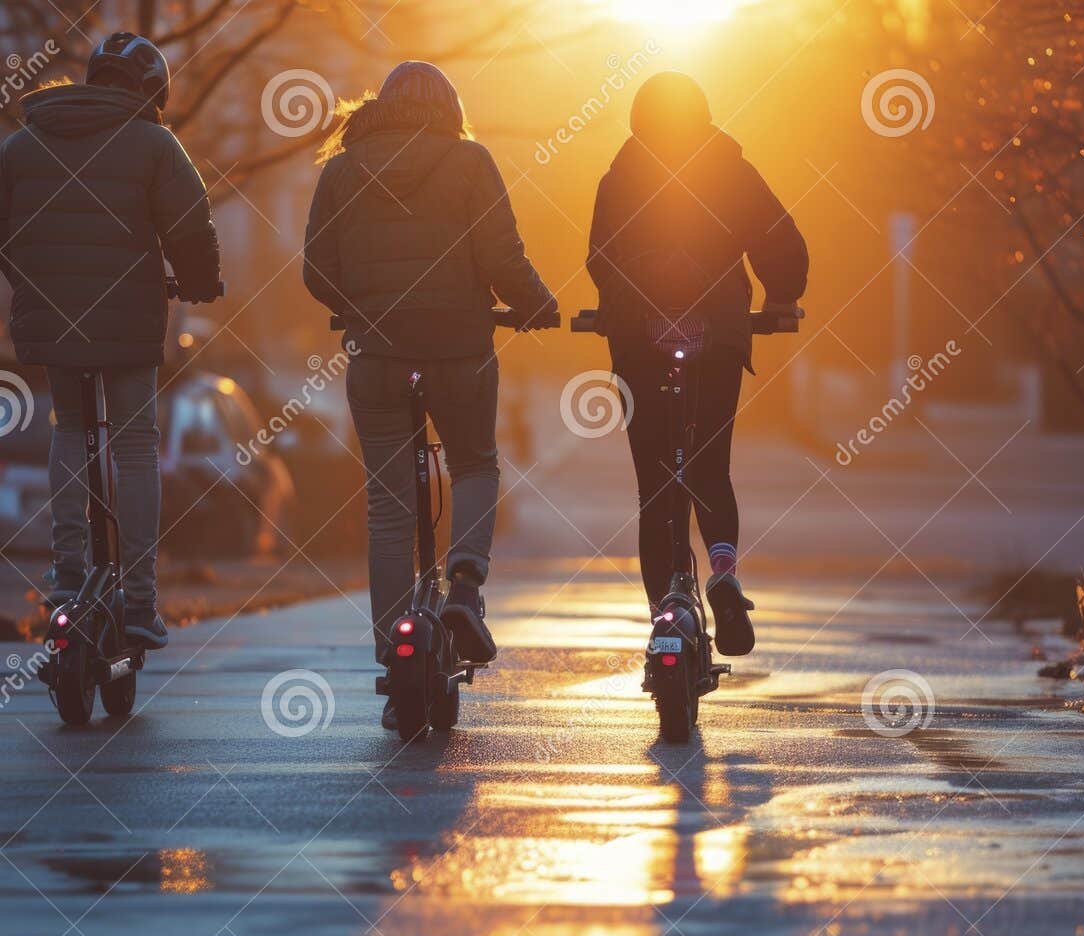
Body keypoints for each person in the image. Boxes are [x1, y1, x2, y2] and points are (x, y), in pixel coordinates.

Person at [303, 61, 558, 729]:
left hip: (378, 357)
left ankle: (396, 657)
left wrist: (361, 306)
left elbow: (316, 270)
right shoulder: (471, 161)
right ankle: (464, 589)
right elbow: (502, 257)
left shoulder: (342, 170)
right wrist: (537, 304)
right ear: (450, 110)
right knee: (473, 463)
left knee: (388, 506)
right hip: (458, 351)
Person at [0, 32, 220, 650]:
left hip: (54, 321)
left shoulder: (27, 140)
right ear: (151, 92)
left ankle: (68, 577)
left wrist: (24, 267)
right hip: (129, 322)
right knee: (136, 447)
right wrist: (199, 283)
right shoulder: (154, 144)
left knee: (70, 431)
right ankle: (140, 601)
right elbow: (191, 224)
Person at [585, 71, 808, 656]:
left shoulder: (620, 175)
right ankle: (724, 576)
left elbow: (600, 258)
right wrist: (779, 297)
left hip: (639, 339)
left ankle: (664, 613)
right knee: (710, 468)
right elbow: (783, 244)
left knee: (655, 484)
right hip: (717, 336)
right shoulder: (730, 168)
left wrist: (618, 304)